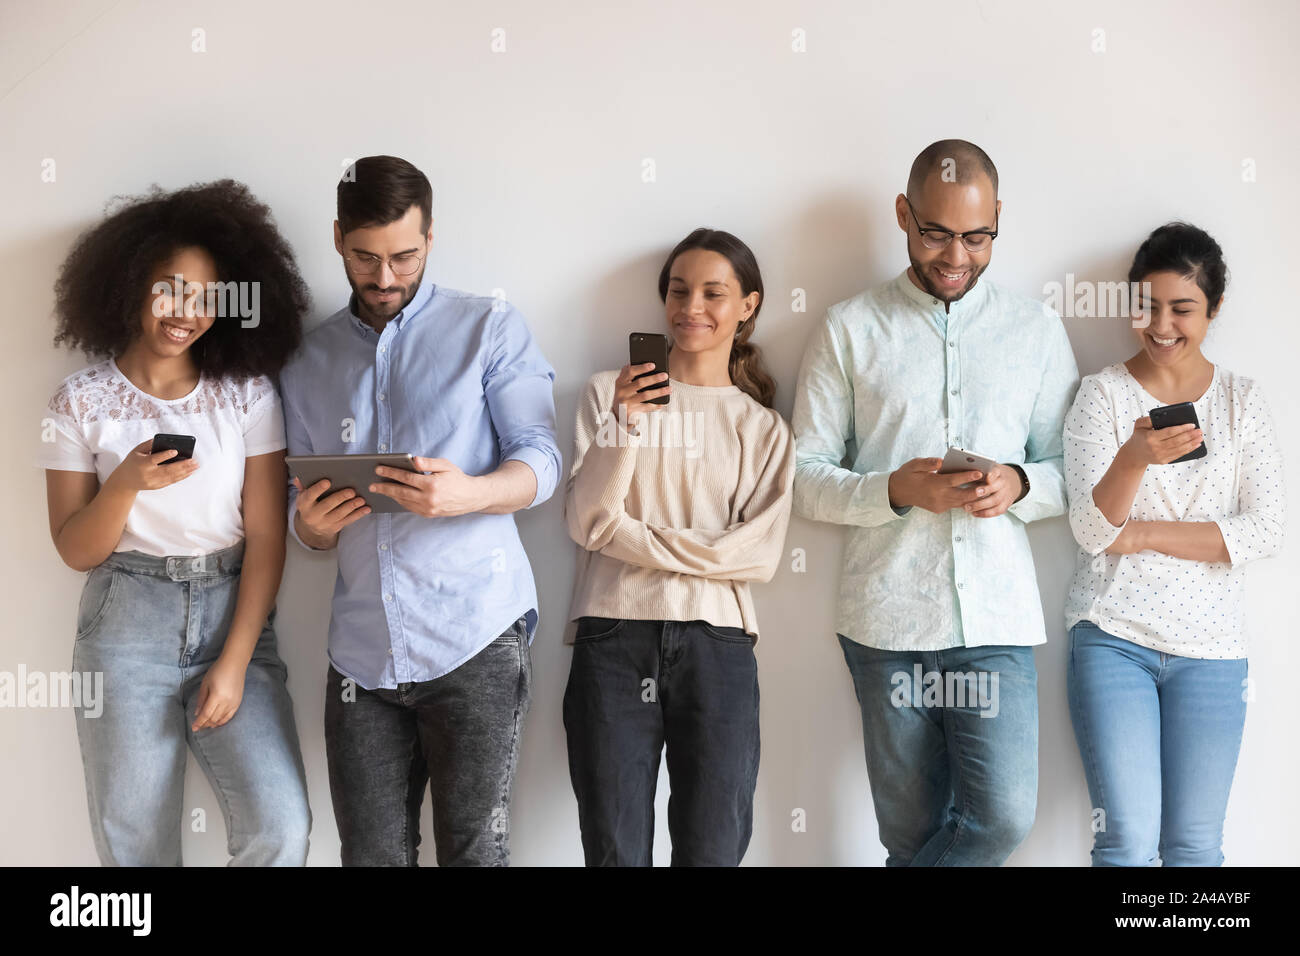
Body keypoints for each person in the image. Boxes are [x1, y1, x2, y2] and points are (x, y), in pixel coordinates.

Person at [791, 140, 1080, 865]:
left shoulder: (1037, 331)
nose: (956, 255)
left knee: (1005, 818)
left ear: (998, 222)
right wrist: (893, 490)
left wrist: (1018, 483)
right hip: (886, 624)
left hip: (996, 620)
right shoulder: (847, 328)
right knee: (913, 838)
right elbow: (802, 476)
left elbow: (1073, 470)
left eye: (977, 237)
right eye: (936, 233)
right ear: (902, 215)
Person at [281, 155, 561, 867]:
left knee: (473, 853)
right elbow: (300, 511)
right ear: (338, 238)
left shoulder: (490, 327)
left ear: (431, 238)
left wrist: (469, 492)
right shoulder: (306, 362)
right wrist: (308, 529)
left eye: (403, 256)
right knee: (370, 857)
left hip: (474, 636)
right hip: (360, 655)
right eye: (364, 258)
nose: (384, 278)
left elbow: (543, 460)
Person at [38, 180, 312, 866]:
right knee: (136, 850)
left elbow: (269, 537)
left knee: (279, 828)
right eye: (170, 289)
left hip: (234, 614)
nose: (186, 312)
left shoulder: (246, 394)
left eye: (205, 297)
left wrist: (236, 661)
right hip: (124, 624)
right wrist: (126, 482)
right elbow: (75, 548)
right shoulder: (79, 401)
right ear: (130, 285)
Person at [562, 227, 795, 866]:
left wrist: (628, 536)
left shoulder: (763, 428)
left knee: (714, 852)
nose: (690, 307)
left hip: (718, 647)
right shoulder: (607, 394)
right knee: (614, 854)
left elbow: (758, 556)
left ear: (748, 305)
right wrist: (625, 425)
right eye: (678, 290)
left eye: (713, 293)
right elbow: (585, 522)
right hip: (612, 638)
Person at [1063, 222, 1284, 866]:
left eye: (1182, 308)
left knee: (1194, 849)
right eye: (1147, 305)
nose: (1161, 324)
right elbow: (1091, 531)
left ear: (1212, 310)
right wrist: (1132, 458)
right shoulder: (1100, 396)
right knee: (1126, 844)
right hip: (1114, 640)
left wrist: (1147, 534)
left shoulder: (1242, 403)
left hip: (1212, 652)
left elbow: (1265, 528)